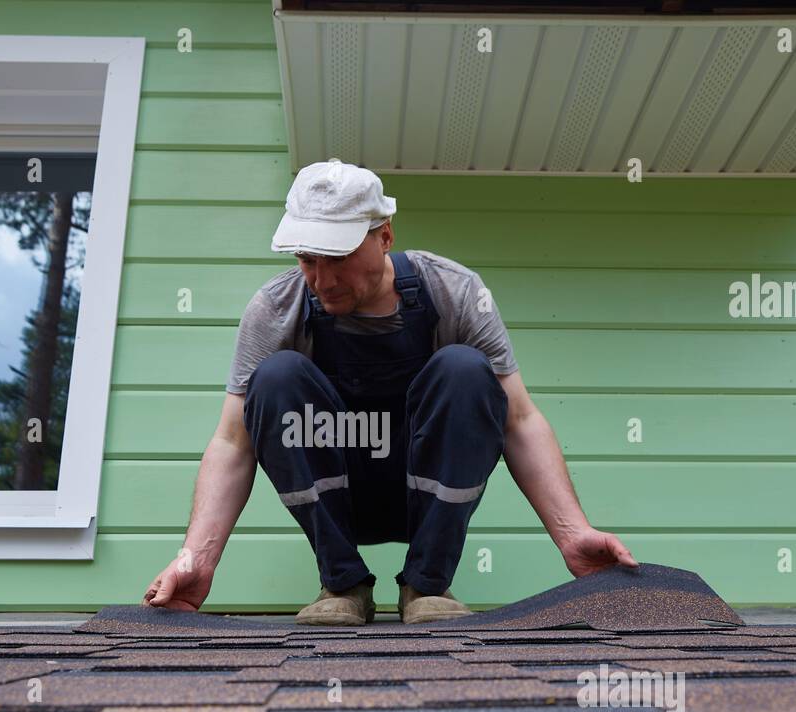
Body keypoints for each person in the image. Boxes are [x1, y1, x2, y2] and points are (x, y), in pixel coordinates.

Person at [143, 159, 636, 625]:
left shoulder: (455, 292)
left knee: (465, 369)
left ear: (385, 237)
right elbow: (233, 441)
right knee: (276, 377)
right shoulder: (276, 309)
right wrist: (196, 559)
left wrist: (573, 536)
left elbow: (520, 421)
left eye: (338, 257)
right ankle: (342, 587)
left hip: (424, 488)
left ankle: (426, 587)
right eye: (307, 259)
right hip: (337, 489)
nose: (322, 280)